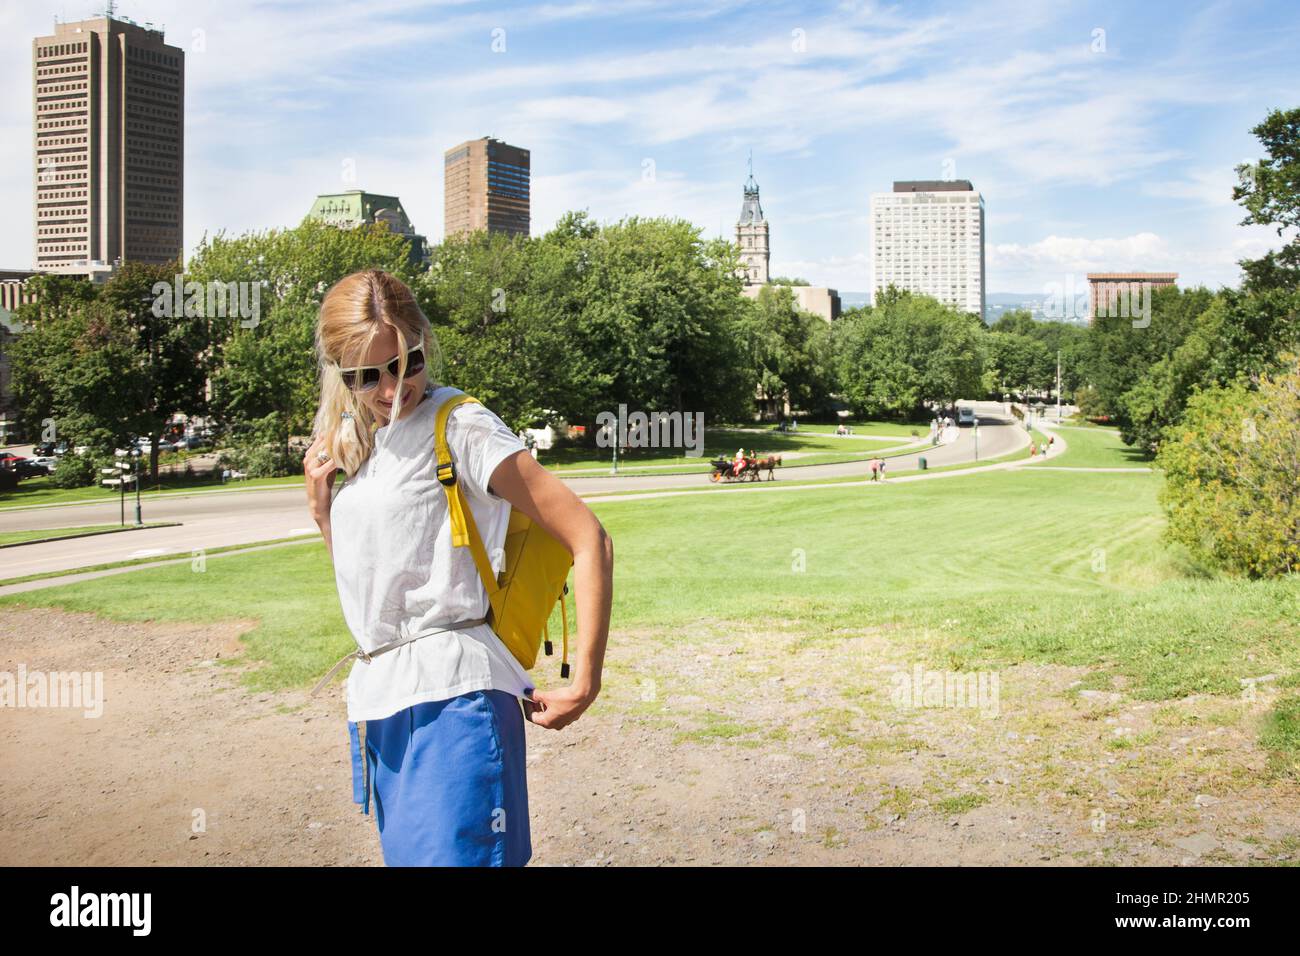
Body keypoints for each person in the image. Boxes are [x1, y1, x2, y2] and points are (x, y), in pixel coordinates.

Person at [303, 269, 613, 867]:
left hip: (457, 700)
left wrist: (586, 681)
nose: (394, 388)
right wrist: (324, 516)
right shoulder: (358, 446)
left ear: (423, 342)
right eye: (368, 375)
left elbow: (588, 536)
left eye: (408, 363)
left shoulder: (461, 424)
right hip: (384, 706)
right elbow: (376, 590)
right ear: (340, 375)